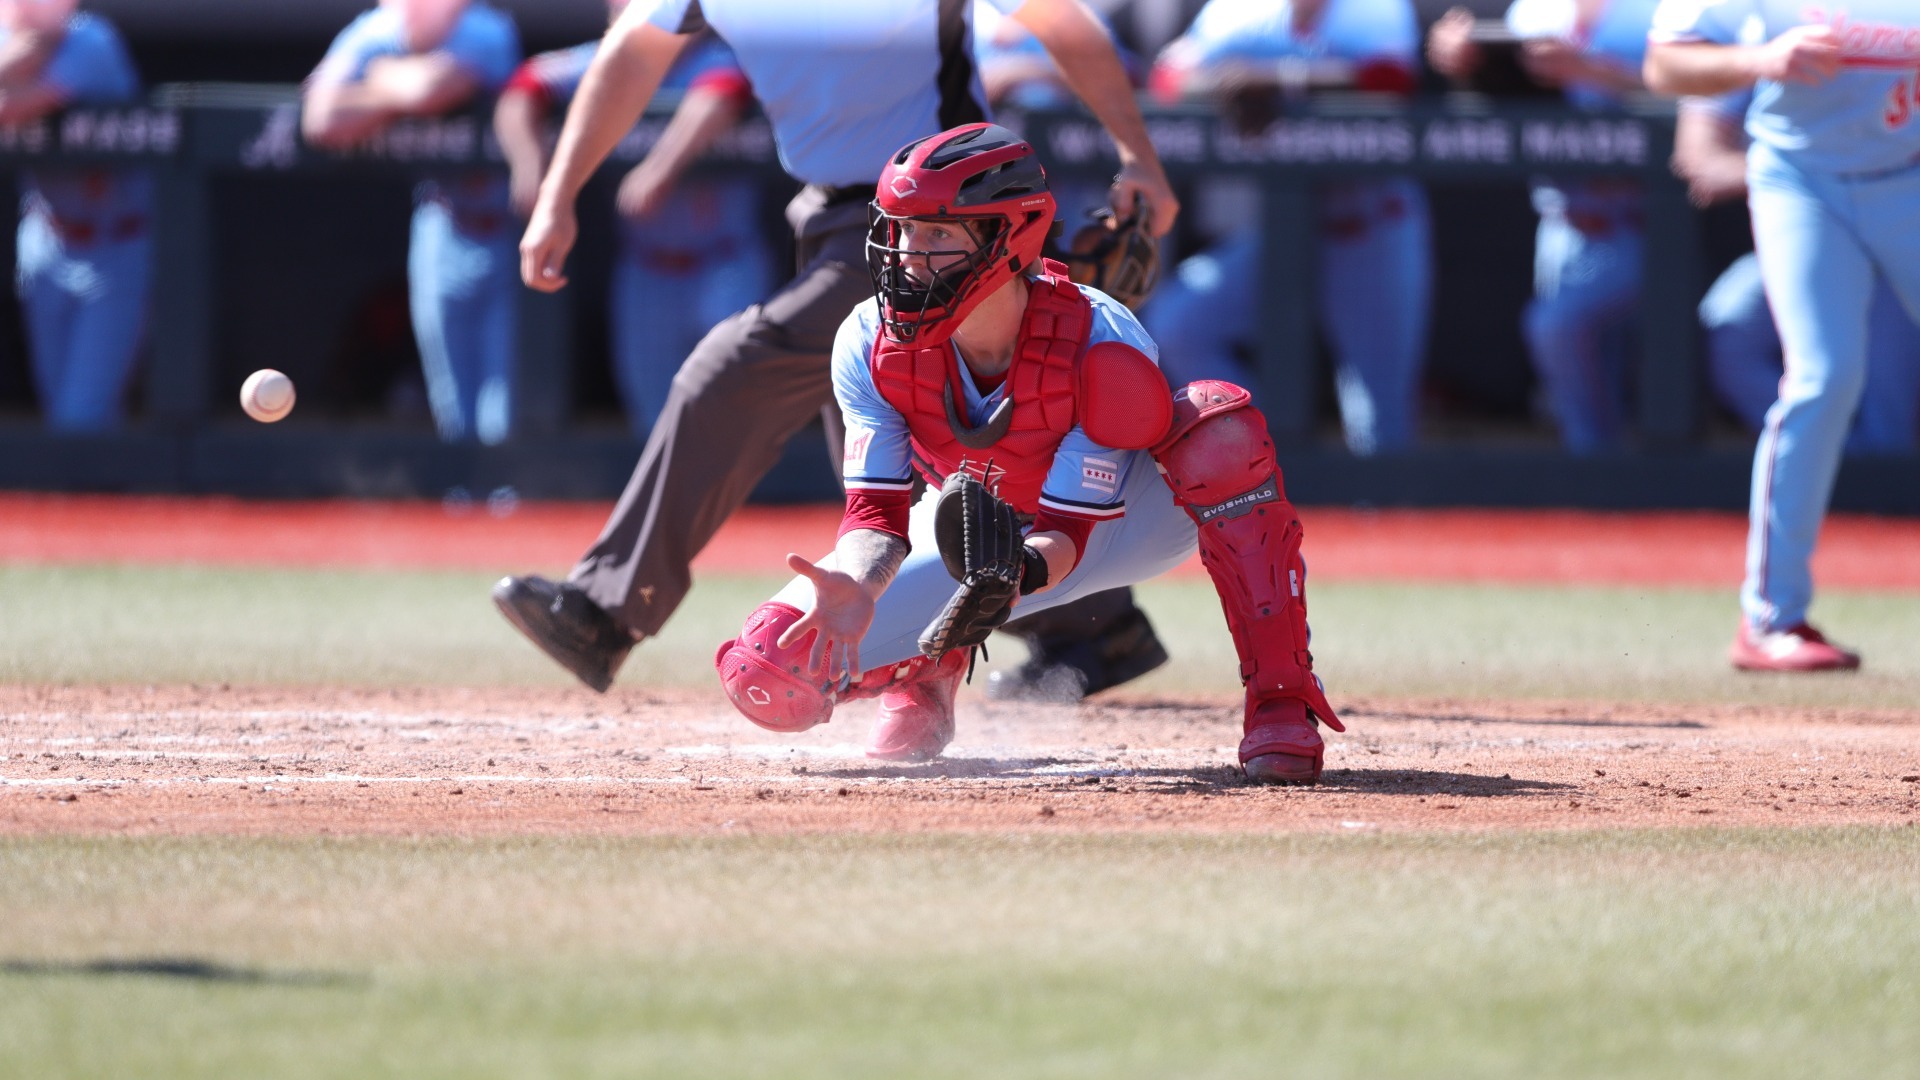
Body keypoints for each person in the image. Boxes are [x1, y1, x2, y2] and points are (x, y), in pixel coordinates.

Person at [492, 0, 1181, 699]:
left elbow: (1065, 23)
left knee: (732, 374)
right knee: (880, 459)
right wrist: (557, 193)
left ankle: (605, 611)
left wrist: (1139, 158)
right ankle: (1092, 630)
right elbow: (631, 53)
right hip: (844, 219)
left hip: (942, 227)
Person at [714, 124, 1342, 782]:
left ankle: (1281, 697)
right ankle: (925, 666)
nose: (908, 255)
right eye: (901, 230)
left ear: (1008, 237)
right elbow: (876, 512)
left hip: (1124, 523)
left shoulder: (1100, 336)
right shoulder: (868, 336)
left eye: (937, 234)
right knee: (768, 665)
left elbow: (1068, 532)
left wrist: (1011, 575)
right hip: (975, 527)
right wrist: (861, 584)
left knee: (1218, 429)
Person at [1646, 0, 1920, 671]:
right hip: (1801, 177)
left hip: (1909, 175)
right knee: (1823, 377)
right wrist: (1760, 60)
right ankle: (1772, 618)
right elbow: (1664, 66)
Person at [1146, 0, 1432, 457]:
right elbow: (1167, 80)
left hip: (1372, 220)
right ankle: (1266, 455)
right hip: (1285, 226)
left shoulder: (1372, 9)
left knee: (1379, 419)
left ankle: (1376, 498)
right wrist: (1228, 81)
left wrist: (1278, 79)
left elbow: (1391, 81)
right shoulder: (1240, 10)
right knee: (1180, 325)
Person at [496, 8, 773, 438]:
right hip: (647, 269)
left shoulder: (718, 57)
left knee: (738, 415)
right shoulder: (608, 58)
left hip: (722, 263)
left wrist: (660, 168)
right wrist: (529, 163)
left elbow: (721, 92)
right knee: (652, 419)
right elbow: (522, 88)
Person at [1429, 0, 1661, 453]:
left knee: (1561, 330)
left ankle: (1611, 473)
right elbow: (1503, 98)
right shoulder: (1533, 11)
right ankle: (1597, 478)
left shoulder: (1658, 11)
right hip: (1562, 220)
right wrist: (1466, 63)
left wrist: (1591, 71)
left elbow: (1697, 100)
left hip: (1647, 225)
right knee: (1576, 389)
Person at [303, 0, 521, 445]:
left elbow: (432, 89)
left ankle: (504, 487)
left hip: (508, 227)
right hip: (442, 221)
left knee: (501, 409)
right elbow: (322, 120)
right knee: (452, 404)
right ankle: (463, 485)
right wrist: (402, 90)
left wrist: (377, 78)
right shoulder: (374, 29)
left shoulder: (485, 29)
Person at [1674, 88, 1920, 451]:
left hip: (1896, 244)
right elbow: (1701, 162)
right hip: (1799, 243)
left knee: (1888, 402)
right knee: (1730, 337)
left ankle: (1864, 469)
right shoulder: (1757, 57)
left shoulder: (1896, 55)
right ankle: (1825, 457)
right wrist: (1808, 172)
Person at [0, 0, 150, 432]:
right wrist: (18, 53)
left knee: (81, 417)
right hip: (45, 241)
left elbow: (13, 107)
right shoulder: (8, 39)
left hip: (114, 246)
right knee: (58, 413)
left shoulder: (91, 41)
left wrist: (24, 58)